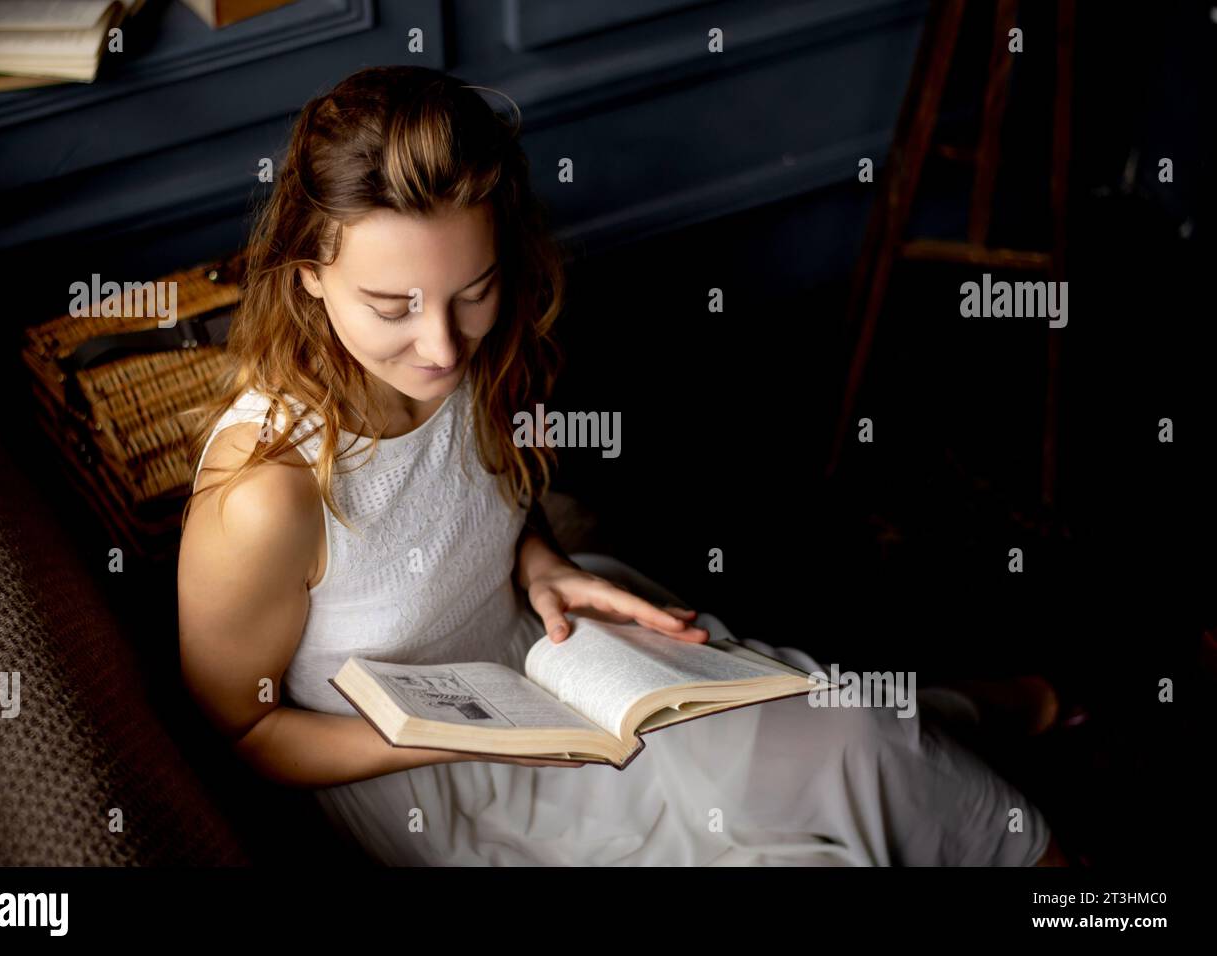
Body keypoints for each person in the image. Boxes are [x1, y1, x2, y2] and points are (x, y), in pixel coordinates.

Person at [177, 65, 1066, 866]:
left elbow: (481, 496)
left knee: (855, 737)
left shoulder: (464, 344)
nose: (443, 345)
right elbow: (246, 728)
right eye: (391, 305)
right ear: (307, 276)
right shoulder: (266, 493)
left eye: (474, 291)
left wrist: (541, 563)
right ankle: (958, 716)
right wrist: (434, 742)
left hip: (547, 656)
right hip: (421, 780)